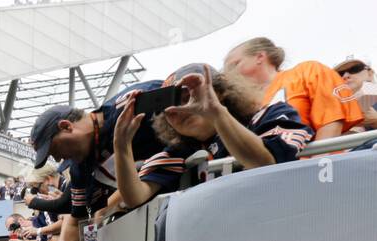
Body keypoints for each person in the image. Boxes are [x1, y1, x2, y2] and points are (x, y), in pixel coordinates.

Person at [28, 81, 165, 241]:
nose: (58, 157)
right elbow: (76, 219)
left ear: (66, 126)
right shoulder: (81, 169)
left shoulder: (130, 104)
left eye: (54, 148)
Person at [115, 65, 312, 207]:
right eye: (167, 106)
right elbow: (135, 197)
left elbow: (267, 163)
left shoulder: (269, 115)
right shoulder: (180, 152)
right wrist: (122, 146)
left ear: (220, 93)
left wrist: (215, 112)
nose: (178, 109)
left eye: (189, 96)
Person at [224, 38, 363, 142]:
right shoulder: (237, 103)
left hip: (308, 168)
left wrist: (317, 164)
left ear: (260, 57)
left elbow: (331, 120)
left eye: (234, 65)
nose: (228, 73)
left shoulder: (306, 71)